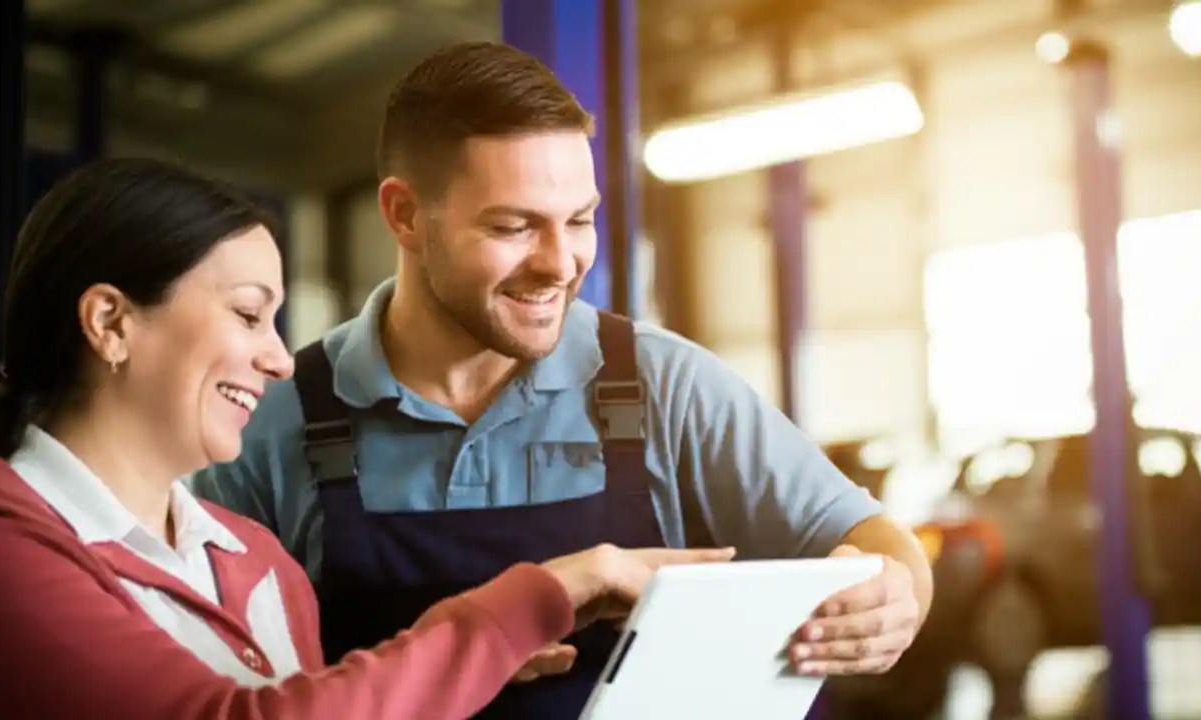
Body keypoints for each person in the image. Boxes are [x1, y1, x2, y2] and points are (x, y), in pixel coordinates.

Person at [195, 40, 935, 718]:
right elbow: (215, 686)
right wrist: (441, 660)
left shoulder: (660, 385)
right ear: (406, 214)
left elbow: (869, 538)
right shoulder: (274, 422)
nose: (561, 263)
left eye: (578, 219)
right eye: (514, 227)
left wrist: (894, 594)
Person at [0, 157, 733, 720]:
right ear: (110, 323)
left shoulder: (261, 563)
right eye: (249, 315)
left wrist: (467, 668)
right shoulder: (11, 550)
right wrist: (535, 599)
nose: (281, 359)